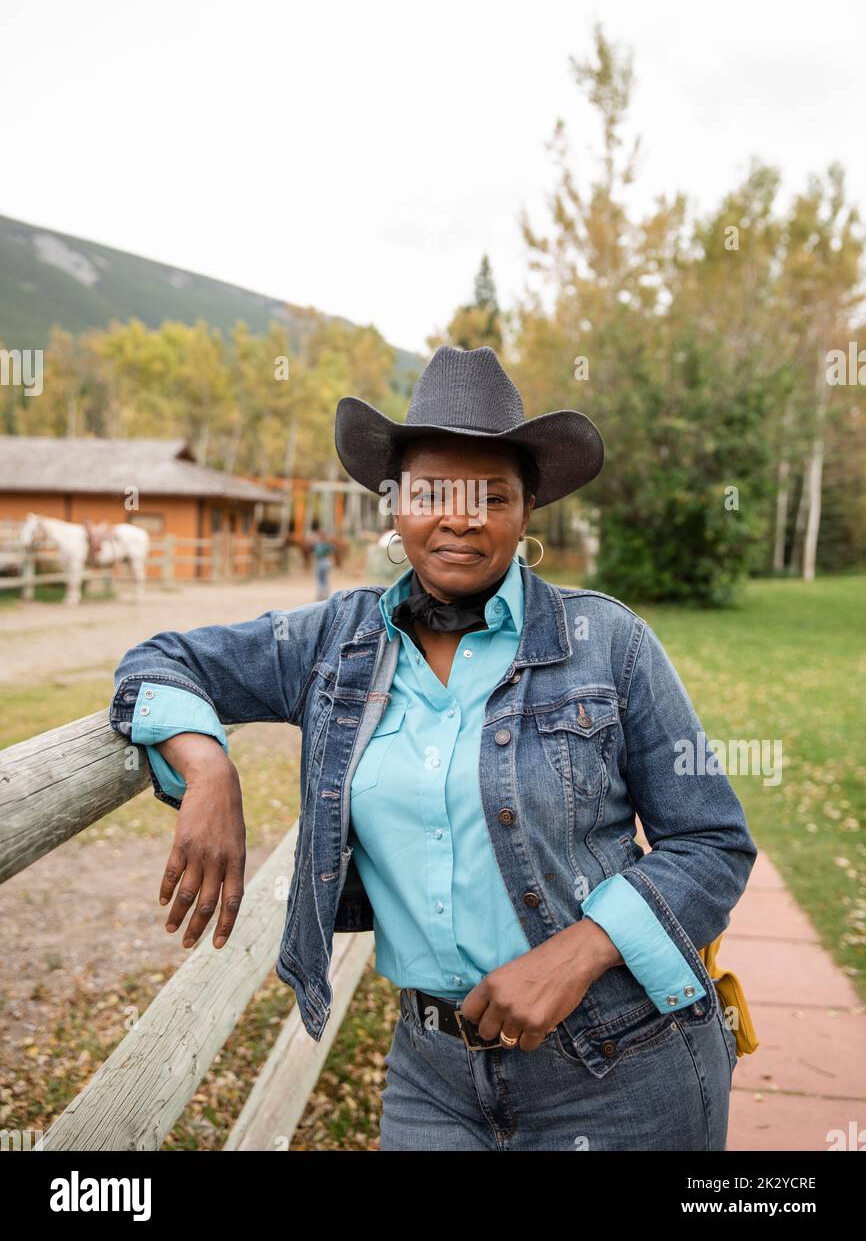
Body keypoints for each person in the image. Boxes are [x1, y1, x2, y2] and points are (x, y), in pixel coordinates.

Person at [108, 344, 756, 1151]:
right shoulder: (329, 643)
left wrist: (577, 954)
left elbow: (713, 841)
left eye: (493, 495)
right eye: (433, 492)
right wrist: (207, 771)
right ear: (396, 506)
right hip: (434, 1078)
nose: (461, 517)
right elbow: (157, 662)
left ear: (526, 515)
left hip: (618, 1064)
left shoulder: (606, 643)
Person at [306, 517, 337, 600]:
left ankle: (320, 596)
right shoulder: (328, 543)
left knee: (320, 580)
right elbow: (333, 550)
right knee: (325, 579)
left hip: (320, 562)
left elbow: (317, 553)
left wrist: (314, 553)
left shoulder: (319, 544)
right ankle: (326, 595)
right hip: (327, 562)